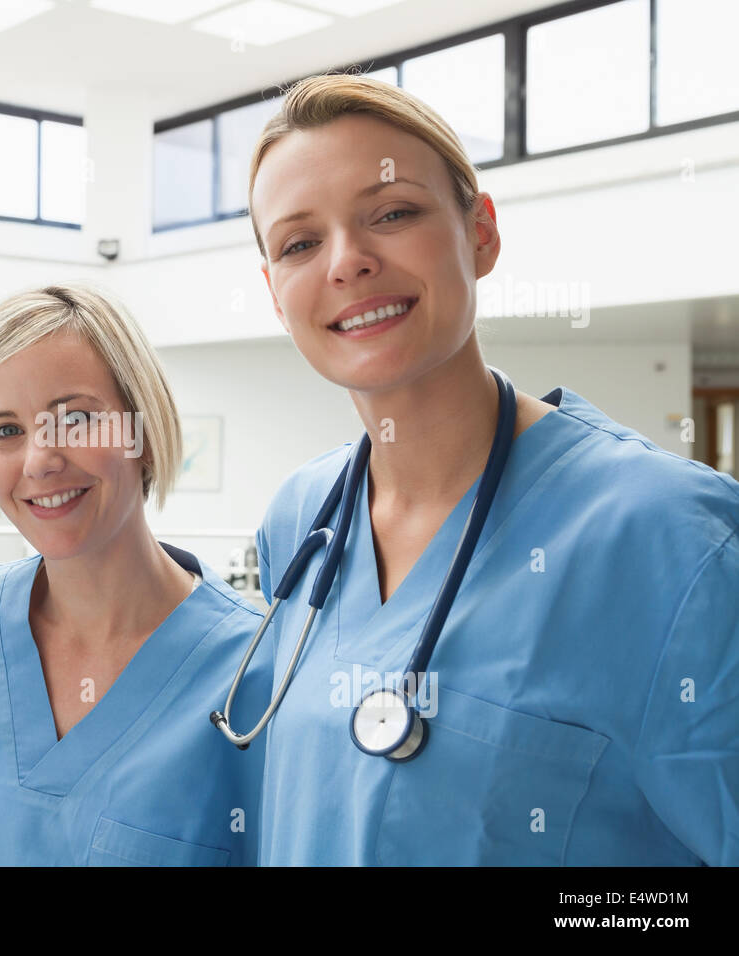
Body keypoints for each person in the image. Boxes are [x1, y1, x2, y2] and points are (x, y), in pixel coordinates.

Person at [245, 73, 739, 865]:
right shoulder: (302, 518)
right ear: (275, 292)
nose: (348, 262)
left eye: (393, 213)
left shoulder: (668, 536)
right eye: (299, 243)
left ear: (481, 232)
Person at [0, 284, 271, 865]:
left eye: (76, 419)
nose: (39, 460)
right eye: (5, 430)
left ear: (143, 431)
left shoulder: (256, 669)